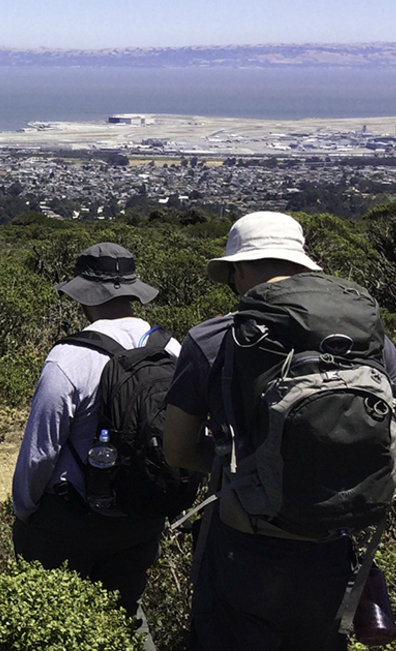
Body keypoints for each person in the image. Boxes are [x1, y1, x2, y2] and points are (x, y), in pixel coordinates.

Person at [164, 211, 396, 650]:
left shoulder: (212, 339)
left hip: (245, 546)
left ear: (238, 270)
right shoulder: (371, 340)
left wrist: (241, 470)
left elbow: (176, 450)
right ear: (302, 265)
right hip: (333, 546)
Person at [11, 242, 178, 622]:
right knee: (124, 618)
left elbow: (40, 451)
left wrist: (25, 511)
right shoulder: (171, 348)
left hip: (71, 517)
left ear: (84, 294)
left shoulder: (70, 357)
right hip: (143, 514)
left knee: (48, 623)